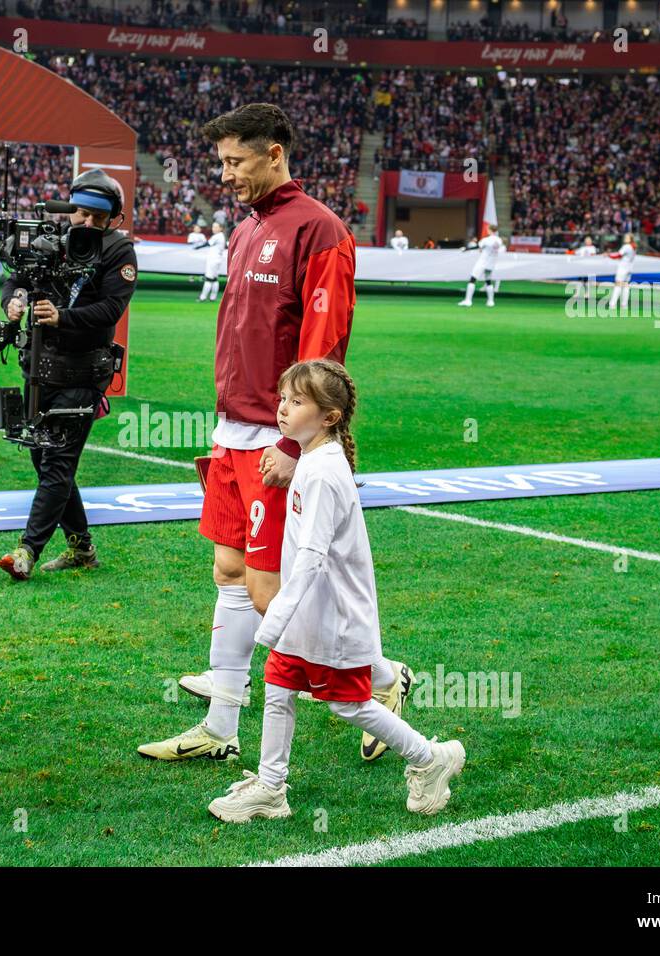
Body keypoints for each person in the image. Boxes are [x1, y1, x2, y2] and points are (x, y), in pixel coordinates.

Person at [139, 103, 410, 763]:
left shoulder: (320, 231)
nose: (226, 175)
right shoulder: (245, 229)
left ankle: (381, 676)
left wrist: (293, 444)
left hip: (275, 438)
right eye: (222, 163)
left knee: (266, 585)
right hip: (232, 431)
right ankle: (220, 731)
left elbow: (324, 348)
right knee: (229, 569)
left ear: (274, 155)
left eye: (235, 162)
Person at [207, 360, 465, 822]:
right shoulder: (312, 460)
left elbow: (312, 556)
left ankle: (430, 757)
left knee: (348, 703)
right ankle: (270, 787)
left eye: (297, 401)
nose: (283, 409)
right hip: (309, 613)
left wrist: (277, 616)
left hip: (334, 618)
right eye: (283, 399)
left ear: (329, 417)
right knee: (279, 686)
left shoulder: (323, 472)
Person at [0, 169, 137, 580]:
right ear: (70, 208)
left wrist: (63, 317)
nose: (87, 222)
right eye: (81, 213)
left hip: (83, 372)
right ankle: (82, 548)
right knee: (44, 460)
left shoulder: (118, 251)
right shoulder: (50, 240)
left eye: (97, 216)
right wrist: (14, 302)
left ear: (113, 217)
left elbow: (112, 309)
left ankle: (27, 551)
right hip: (39, 367)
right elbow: (15, 281)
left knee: (58, 462)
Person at [459, 225, 504, 307]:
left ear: (490, 230)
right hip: (491, 263)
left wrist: (466, 249)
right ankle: (491, 301)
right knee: (488, 281)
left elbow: (477, 246)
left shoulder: (486, 240)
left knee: (472, 279)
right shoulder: (499, 240)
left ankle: (468, 300)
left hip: (482, 262)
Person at [199, 221, 227, 302]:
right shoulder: (221, 236)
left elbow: (208, 243)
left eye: (215, 227)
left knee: (208, 278)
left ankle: (203, 297)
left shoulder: (217, 236)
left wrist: (197, 247)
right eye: (213, 227)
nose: (213, 228)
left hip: (213, 259)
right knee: (214, 279)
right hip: (218, 259)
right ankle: (213, 297)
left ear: (220, 228)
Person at [608, 233, 637, 312]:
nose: (625, 238)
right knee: (626, 286)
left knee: (618, 285)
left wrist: (609, 255)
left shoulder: (626, 246)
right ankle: (624, 305)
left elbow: (618, 255)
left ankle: (612, 304)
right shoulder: (634, 247)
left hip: (623, 268)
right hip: (629, 268)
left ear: (630, 239)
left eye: (627, 237)